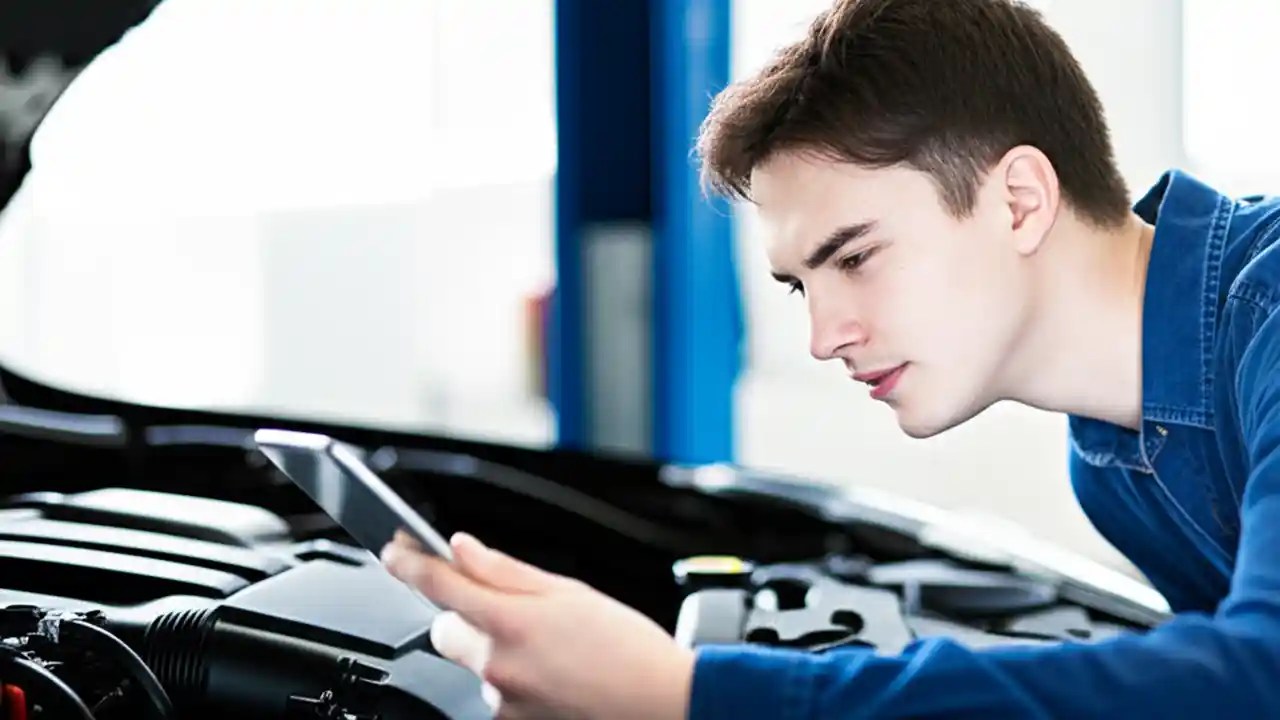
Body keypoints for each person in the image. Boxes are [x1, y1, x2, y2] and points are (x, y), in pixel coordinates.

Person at [379, 0, 1280, 716]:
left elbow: (1259, 677)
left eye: (854, 257)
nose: (823, 336)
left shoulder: (1271, 311)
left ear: (1018, 201)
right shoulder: (1119, 467)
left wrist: (685, 694)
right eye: (799, 286)